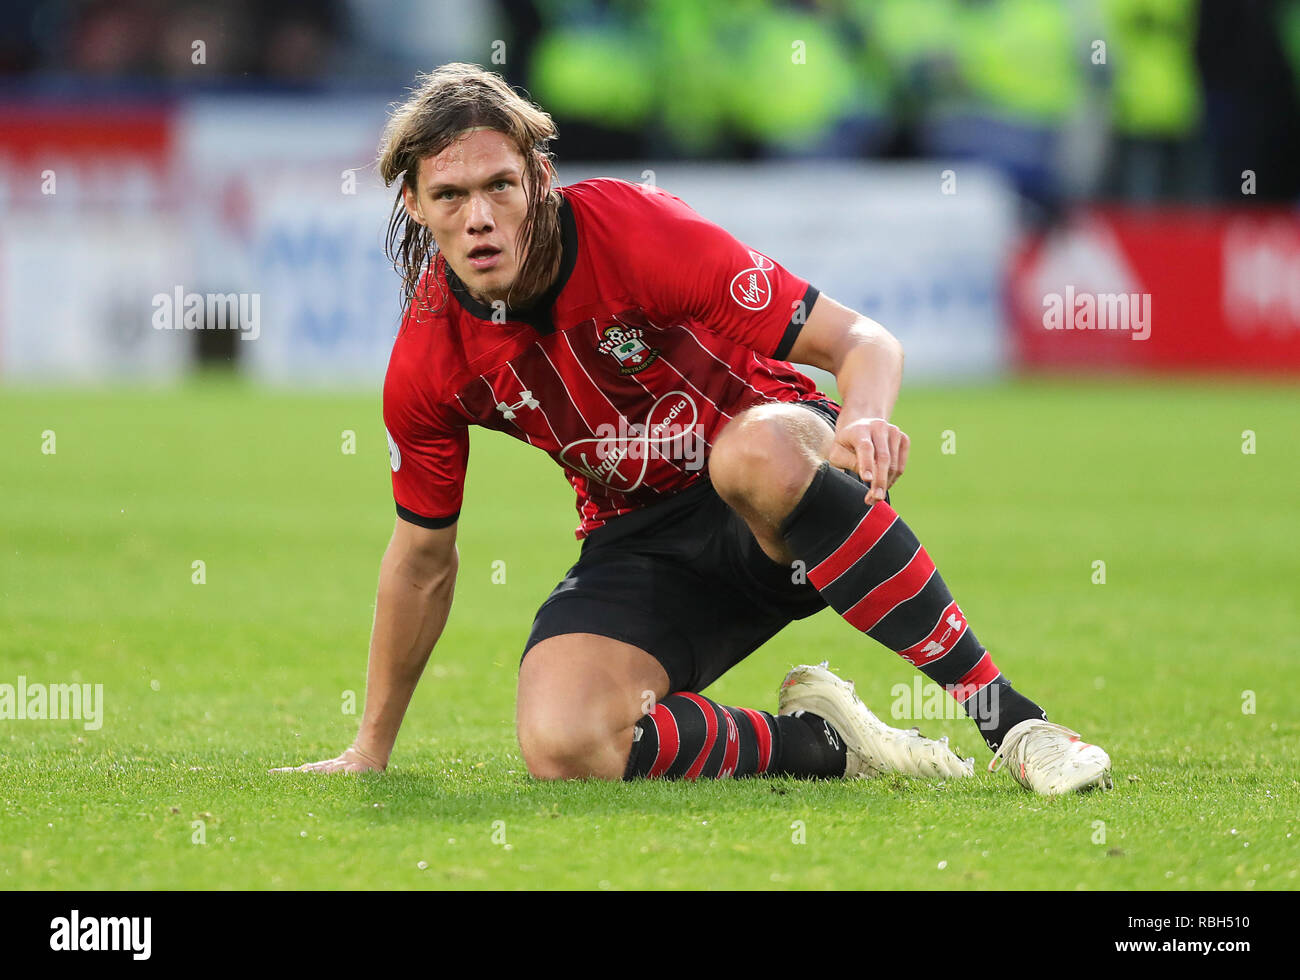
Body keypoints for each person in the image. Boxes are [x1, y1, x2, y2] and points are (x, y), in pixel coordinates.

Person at [273, 64, 1112, 794]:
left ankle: (1017, 727)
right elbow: (422, 558)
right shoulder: (427, 361)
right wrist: (369, 750)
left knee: (752, 450)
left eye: (499, 184)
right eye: (451, 196)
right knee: (563, 741)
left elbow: (861, 342)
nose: (480, 216)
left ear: (539, 177)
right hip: (640, 535)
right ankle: (823, 745)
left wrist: (862, 421)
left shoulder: (637, 234)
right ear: (416, 205)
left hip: (782, 487)